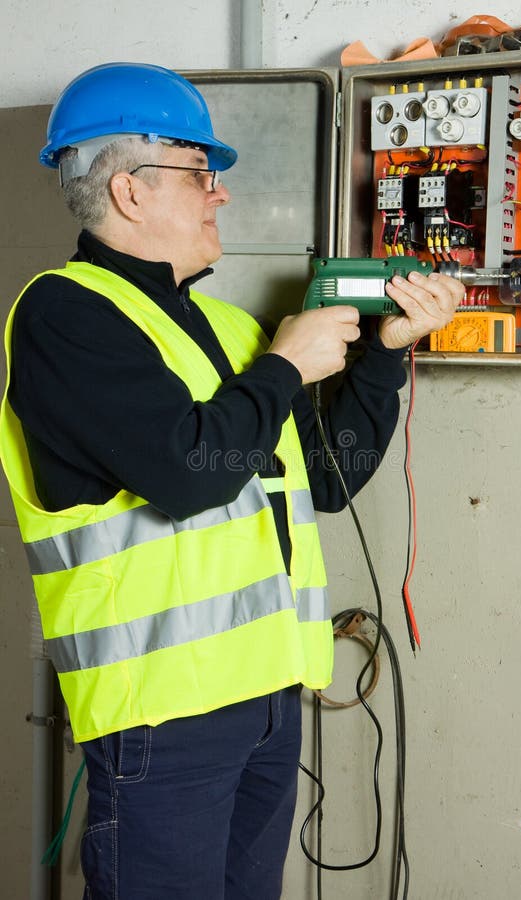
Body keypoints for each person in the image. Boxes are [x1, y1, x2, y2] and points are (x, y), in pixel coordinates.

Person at [0, 63, 462, 900]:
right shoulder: (63, 315)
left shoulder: (226, 325)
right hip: (164, 716)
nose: (222, 195)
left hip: (267, 698)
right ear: (131, 191)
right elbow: (185, 471)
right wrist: (285, 366)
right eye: (202, 174)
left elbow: (322, 479)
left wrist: (385, 353)